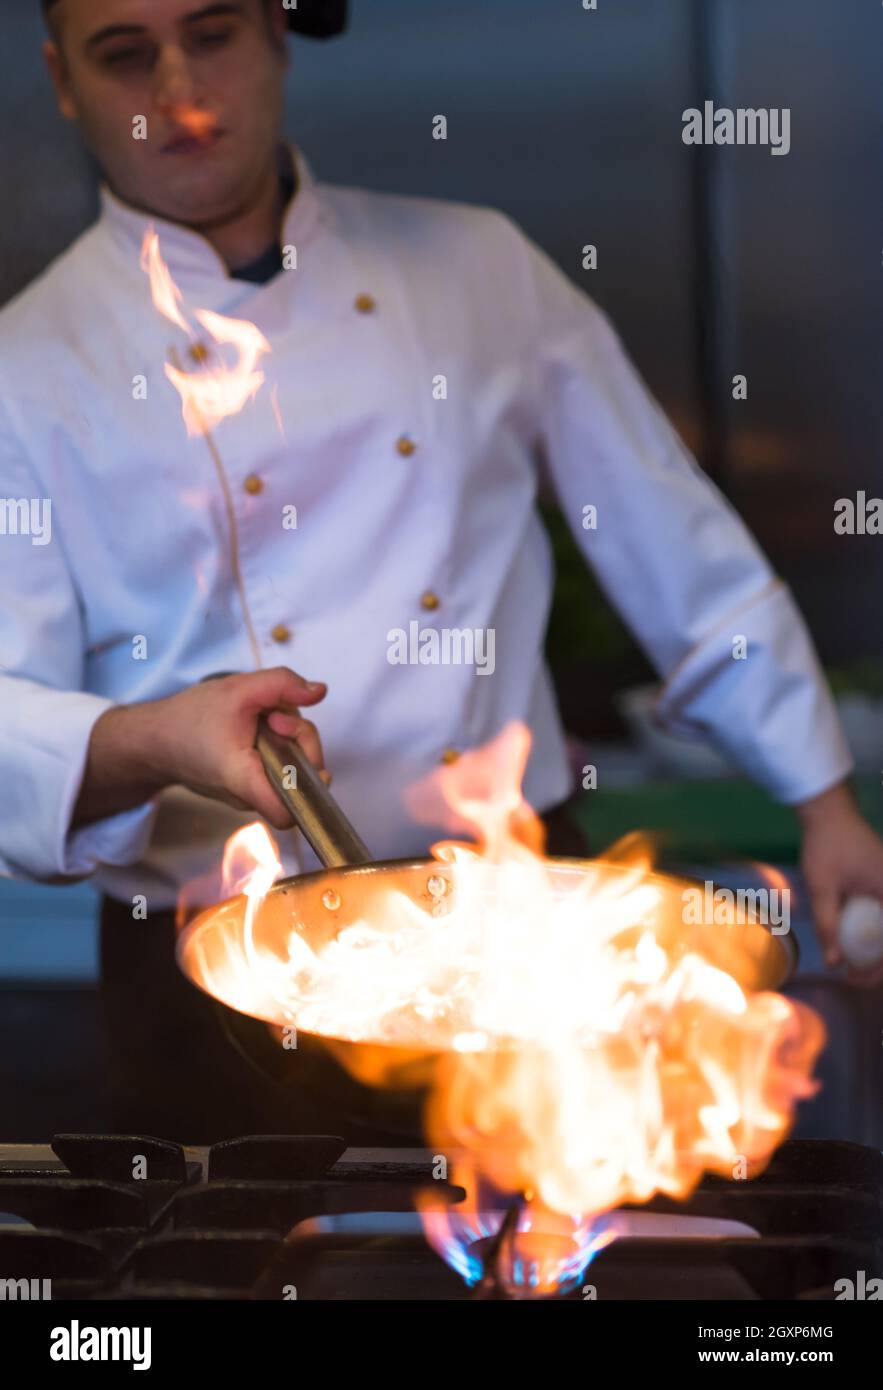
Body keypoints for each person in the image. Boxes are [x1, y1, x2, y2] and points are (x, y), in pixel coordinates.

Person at [1, 0, 881, 1137]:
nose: (178, 93)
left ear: (277, 32)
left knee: (557, 1247)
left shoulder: (481, 271)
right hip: (219, 963)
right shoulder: (26, 366)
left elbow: (676, 546)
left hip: (521, 918)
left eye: (212, 33)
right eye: (124, 55)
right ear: (61, 79)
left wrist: (824, 800)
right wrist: (162, 736)